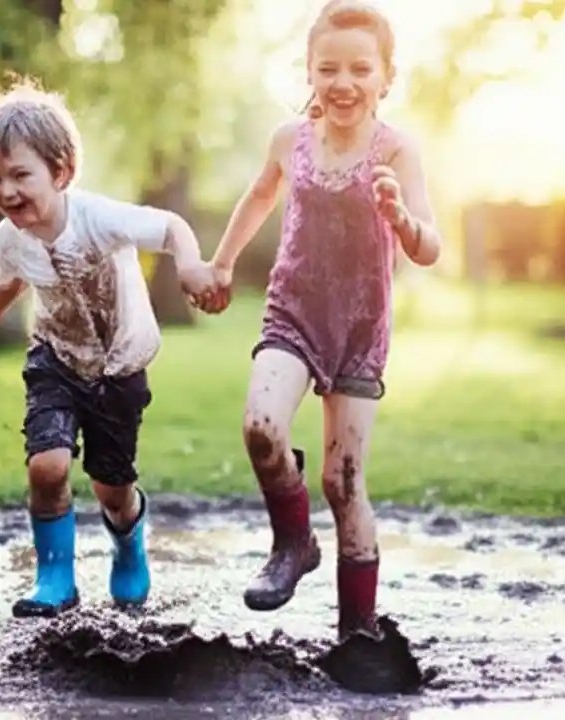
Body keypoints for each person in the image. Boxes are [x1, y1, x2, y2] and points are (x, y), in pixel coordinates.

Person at [202, 0, 443, 640]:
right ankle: (292, 544)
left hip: (360, 331)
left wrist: (400, 219)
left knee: (344, 481)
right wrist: (221, 265)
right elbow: (259, 195)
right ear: (309, 71)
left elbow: (430, 247)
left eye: (360, 69)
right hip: (293, 313)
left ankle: (356, 632)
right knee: (260, 427)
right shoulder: (290, 140)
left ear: (386, 77)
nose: (343, 82)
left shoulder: (398, 149)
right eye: (328, 68)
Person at [0, 81, 221, 618]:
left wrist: (189, 267)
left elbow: (171, 226)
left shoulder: (98, 218)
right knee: (46, 468)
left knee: (111, 487)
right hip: (55, 358)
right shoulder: (9, 237)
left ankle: (128, 543)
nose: (5, 191)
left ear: (61, 171)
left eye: (19, 175)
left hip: (119, 367)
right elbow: (9, 282)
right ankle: (55, 579)